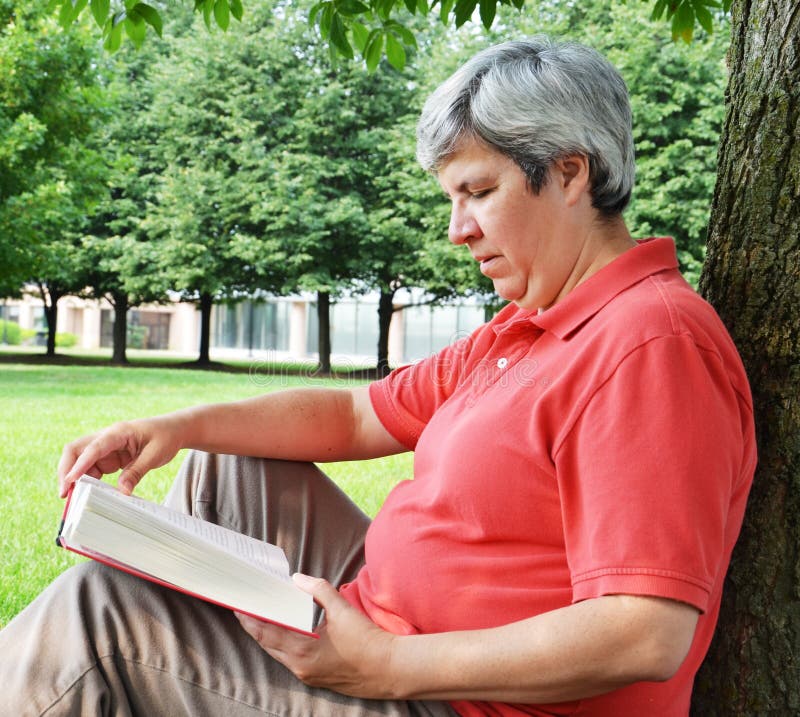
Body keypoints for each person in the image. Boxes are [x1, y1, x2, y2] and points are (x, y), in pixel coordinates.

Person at [0, 36, 756, 717]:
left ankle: (129, 662)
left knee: (100, 616)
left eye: (479, 192)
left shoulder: (650, 343)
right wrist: (171, 428)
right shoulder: (528, 326)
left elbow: (645, 631)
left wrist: (385, 665)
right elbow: (360, 415)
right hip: (382, 617)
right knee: (228, 463)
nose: (457, 229)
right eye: (450, 198)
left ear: (568, 174)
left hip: (451, 697)